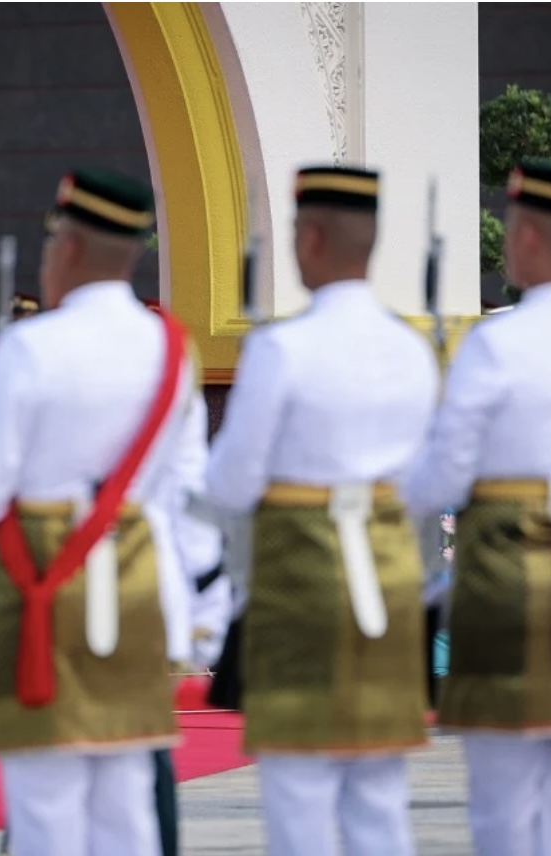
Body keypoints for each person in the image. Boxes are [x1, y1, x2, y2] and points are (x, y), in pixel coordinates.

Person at [0, 167, 198, 856]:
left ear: (69, 248)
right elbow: (185, 487)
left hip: (41, 578)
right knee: (129, 802)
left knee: (45, 805)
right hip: (136, 573)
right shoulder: (171, 348)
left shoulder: (34, 346)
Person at [402, 159, 551, 856]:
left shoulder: (495, 344)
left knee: (504, 795)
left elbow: (446, 469)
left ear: (531, 237)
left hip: (505, 577)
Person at [202, 165, 437, 856]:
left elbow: (234, 480)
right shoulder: (413, 348)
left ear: (311, 237)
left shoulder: (283, 347)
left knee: (299, 784)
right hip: (391, 575)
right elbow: (425, 483)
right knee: (379, 785)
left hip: (298, 577)